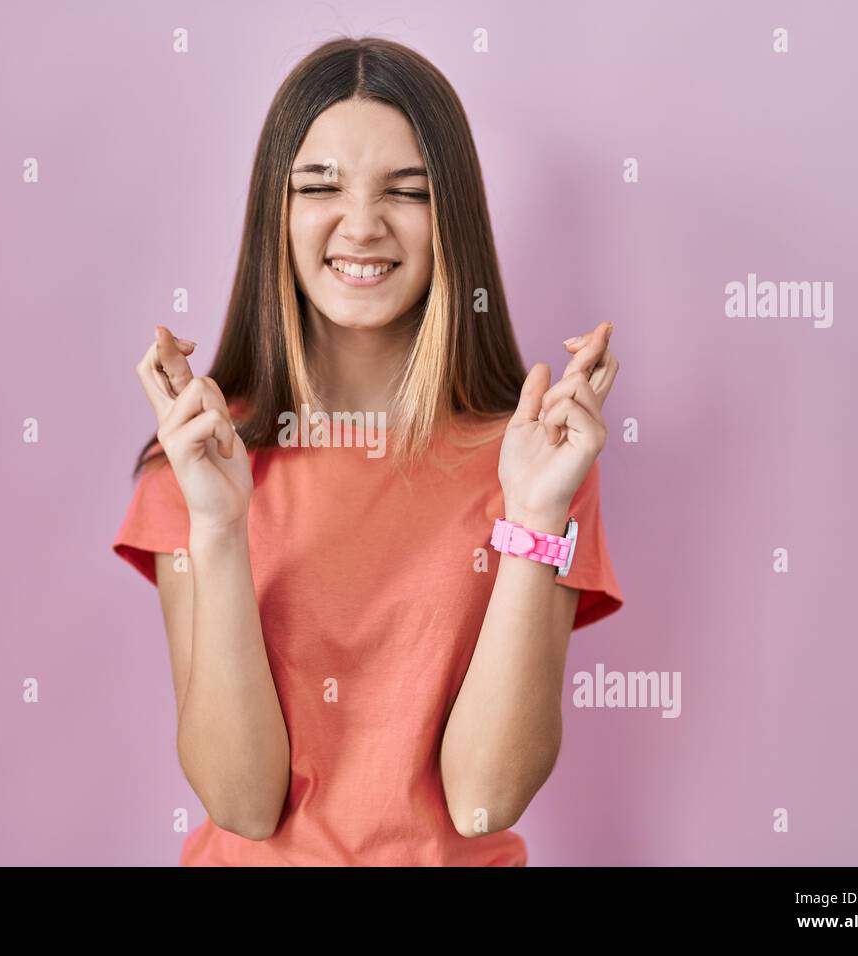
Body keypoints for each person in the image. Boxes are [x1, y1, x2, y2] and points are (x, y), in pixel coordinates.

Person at [113, 35, 623, 866]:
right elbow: (242, 804)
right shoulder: (200, 462)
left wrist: (533, 515)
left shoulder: (534, 461)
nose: (361, 225)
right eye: (319, 187)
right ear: (276, 214)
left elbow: (483, 798)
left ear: (449, 216)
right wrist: (218, 528)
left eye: (407, 192)